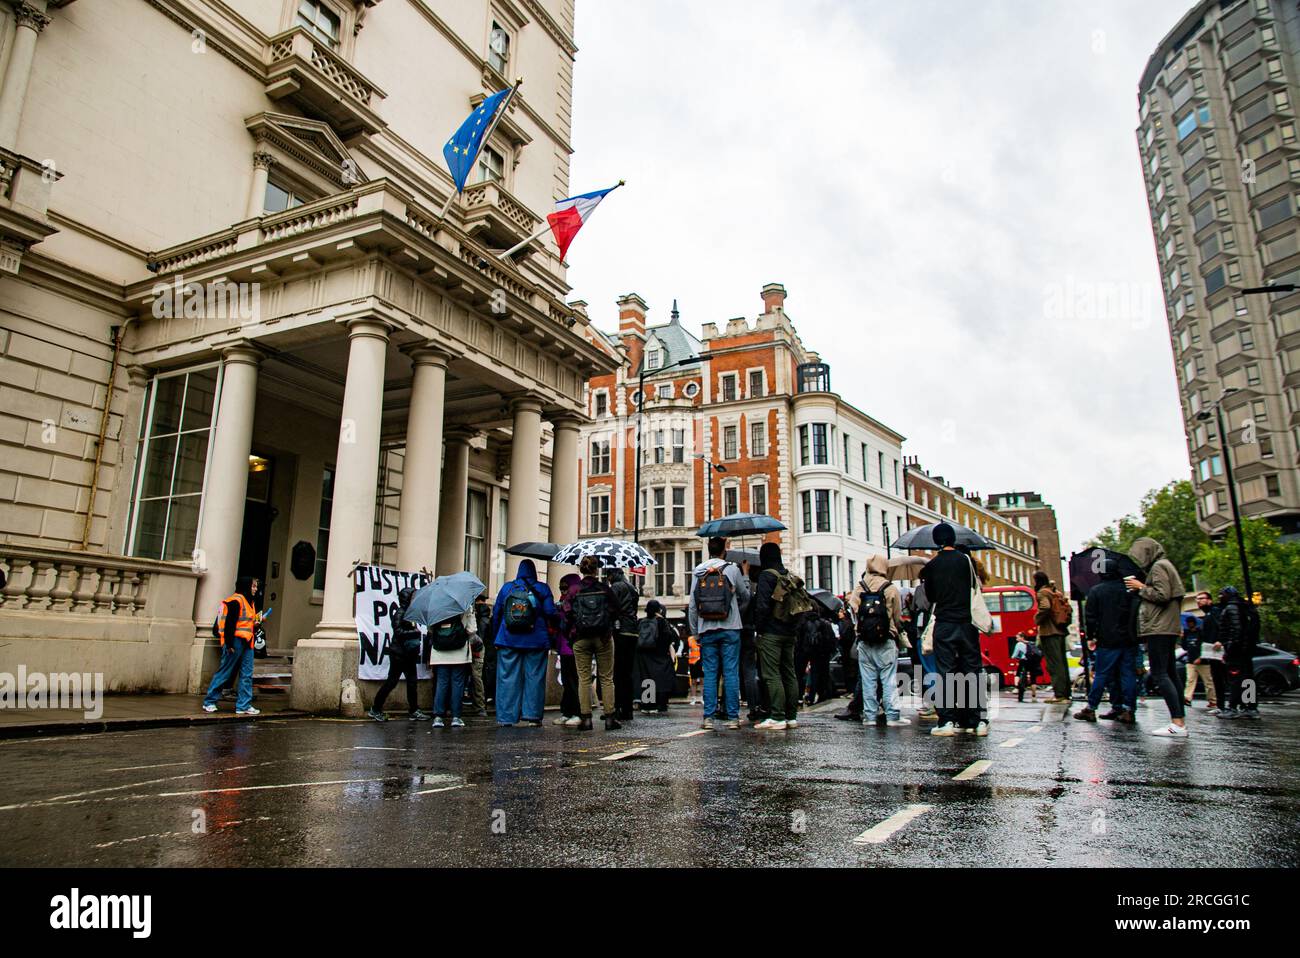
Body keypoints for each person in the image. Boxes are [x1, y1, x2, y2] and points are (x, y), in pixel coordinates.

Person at [919, 523, 986, 736]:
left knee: (945, 672)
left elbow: (931, 597)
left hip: (944, 623)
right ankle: (977, 721)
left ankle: (947, 720)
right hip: (967, 623)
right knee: (972, 670)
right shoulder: (966, 561)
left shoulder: (931, 566)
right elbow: (974, 587)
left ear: (937, 541)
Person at [1125, 537, 1187, 738]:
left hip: (1159, 627)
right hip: (1167, 626)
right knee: (1170, 672)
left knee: (1160, 674)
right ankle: (1179, 721)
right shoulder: (1165, 565)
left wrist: (1140, 587)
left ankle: (1177, 722)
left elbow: (1162, 595)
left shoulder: (1159, 567)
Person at [687, 537, 751, 730]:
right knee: (731, 673)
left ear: (708, 549)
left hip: (706, 628)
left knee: (711, 673)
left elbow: (692, 605)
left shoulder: (699, 571)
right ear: (725, 549)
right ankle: (732, 718)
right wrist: (745, 575)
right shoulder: (732, 569)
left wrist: (695, 632)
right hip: (730, 626)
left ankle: (708, 717)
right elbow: (745, 595)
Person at [489, 559, 559, 728]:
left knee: (507, 678)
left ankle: (506, 717)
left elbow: (497, 614)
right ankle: (533, 716)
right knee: (535, 677)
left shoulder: (507, 588)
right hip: (536, 639)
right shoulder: (542, 588)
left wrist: (496, 637)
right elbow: (550, 612)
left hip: (508, 638)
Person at [1074, 559, 1138, 724]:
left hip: (1107, 639)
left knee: (1102, 674)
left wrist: (1091, 637)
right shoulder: (1128, 590)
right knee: (1128, 675)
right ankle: (1127, 709)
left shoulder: (1096, 591)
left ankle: (1091, 708)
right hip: (1129, 638)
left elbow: (1091, 617)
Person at [752, 541, 807, 731]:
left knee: (772, 674)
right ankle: (791, 716)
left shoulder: (766, 576)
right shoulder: (787, 575)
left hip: (771, 633)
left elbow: (762, 607)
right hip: (789, 632)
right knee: (789, 673)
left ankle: (777, 716)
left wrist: (759, 629)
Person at [564, 556, 622, 731]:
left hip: (580, 638)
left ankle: (586, 718)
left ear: (582, 570)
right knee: (606, 678)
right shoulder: (605, 589)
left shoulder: (574, 590)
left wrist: (571, 633)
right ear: (597, 569)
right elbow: (616, 610)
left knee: (584, 678)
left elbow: (566, 613)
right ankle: (610, 717)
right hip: (603, 637)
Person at [856, 554, 910, 728]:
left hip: (864, 642)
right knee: (888, 679)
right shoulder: (890, 588)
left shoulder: (859, 587)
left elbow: (853, 609)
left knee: (868, 680)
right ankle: (892, 716)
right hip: (886, 639)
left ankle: (869, 716)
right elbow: (896, 616)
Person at [368, 587, 430, 723]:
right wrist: (414, 633)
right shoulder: (400, 613)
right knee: (392, 682)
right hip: (399, 654)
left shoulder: (410, 613)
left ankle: (414, 710)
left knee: (412, 683)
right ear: (406, 598)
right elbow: (398, 632)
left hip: (408, 654)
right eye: (412, 596)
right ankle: (375, 708)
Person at [202, 576, 261, 715]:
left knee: (247, 674)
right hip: (235, 641)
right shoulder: (236, 601)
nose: (255, 589)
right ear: (246, 586)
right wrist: (228, 644)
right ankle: (209, 701)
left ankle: (244, 705)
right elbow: (229, 624)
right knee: (225, 672)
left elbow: (245, 624)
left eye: (256, 586)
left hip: (247, 641)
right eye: (253, 586)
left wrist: (257, 624)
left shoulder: (249, 602)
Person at [1216, 586, 1260, 720]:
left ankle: (1232, 707)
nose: (1219, 597)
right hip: (1246, 650)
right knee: (1248, 678)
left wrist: (1229, 648)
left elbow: (1236, 630)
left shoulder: (1231, 608)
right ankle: (1250, 707)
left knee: (1235, 679)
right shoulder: (1244, 607)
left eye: (1221, 594)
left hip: (1237, 651)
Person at [429, 604, 475, 728]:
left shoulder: (436, 605)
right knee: (458, 683)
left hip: (440, 651)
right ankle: (456, 717)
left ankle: (438, 717)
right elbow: (472, 629)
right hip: (459, 651)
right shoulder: (465, 605)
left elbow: (430, 629)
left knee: (441, 683)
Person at [1033, 571, 1073, 704]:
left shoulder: (1043, 593)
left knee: (1054, 665)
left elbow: (1045, 607)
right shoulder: (1056, 592)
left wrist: (1036, 619)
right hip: (1060, 630)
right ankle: (1066, 693)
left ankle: (1059, 695)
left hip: (1049, 632)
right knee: (1062, 664)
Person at [606, 567, 640, 722]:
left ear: (613, 575)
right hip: (633, 630)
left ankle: (618, 708)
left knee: (618, 673)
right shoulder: (632, 587)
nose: (608, 579)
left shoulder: (616, 587)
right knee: (627, 673)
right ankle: (627, 709)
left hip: (621, 631)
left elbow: (612, 609)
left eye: (608, 576)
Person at [635, 599, 677, 716]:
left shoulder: (641, 621)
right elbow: (668, 637)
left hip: (644, 655)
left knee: (646, 678)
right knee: (661, 680)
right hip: (659, 655)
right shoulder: (661, 622)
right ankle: (660, 705)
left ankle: (647, 705)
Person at [551, 573, 582, 727]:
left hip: (573, 646)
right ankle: (568, 711)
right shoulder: (564, 600)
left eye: (565, 588)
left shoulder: (575, 600)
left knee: (573, 680)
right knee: (567, 680)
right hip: (564, 646)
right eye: (561, 588)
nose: (562, 591)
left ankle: (576, 712)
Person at [740, 562, 768, 724]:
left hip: (737, 629)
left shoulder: (745, 588)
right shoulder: (759, 591)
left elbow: (745, 598)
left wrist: (744, 574)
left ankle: (727, 708)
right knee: (750, 671)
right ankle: (754, 706)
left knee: (731, 671)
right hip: (750, 631)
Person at [1195, 590, 1228, 711]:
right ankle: (1221, 706)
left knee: (1221, 679)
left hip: (1219, 651)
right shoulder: (1207, 615)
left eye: (1201, 598)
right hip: (1213, 652)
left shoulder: (1214, 612)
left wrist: (1220, 640)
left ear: (1210, 600)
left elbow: (1223, 627)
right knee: (1217, 679)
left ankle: (1226, 706)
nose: (1199, 601)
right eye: (1197, 599)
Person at [1180, 616, 1217, 713]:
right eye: (1188, 622)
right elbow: (1185, 647)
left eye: (1191, 622)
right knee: (1190, 680)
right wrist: (1182, 637)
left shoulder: (1201, 633)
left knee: (1208, 681)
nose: (1189, 624)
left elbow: (1205, 647)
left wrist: (1201, 657)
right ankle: (1187, 698)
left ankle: (1212, 700)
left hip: (1202, 661)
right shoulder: (1187, 633)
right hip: (1190, 661)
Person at [474, 592, 496, 707]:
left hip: (481, 648)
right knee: (489, 671)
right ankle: (489, 696)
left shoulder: (478, 616)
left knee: (479, 675)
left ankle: (481, 699)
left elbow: (480, 636)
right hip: (491, 648)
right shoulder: (488, 617)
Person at [1010, 632, 1042, 704]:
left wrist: (1014, 657)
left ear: (1022, 637)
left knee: (1018, 673)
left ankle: (1017, 687)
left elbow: (1014, 655)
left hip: (1024, 661)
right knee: (1033, 678)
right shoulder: (1031, 643)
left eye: (1017, 637)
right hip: (1033, 662)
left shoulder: (1019, 644)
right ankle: (1034, 697)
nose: (1016, 639)